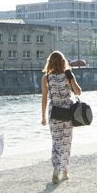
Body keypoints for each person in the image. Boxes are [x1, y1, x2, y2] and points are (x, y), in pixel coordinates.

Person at [41, 51, 82, 184]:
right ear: (63, 62)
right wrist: (71, 79)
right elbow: (78, 92)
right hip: (67, 113)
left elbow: (44, 99)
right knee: (66, 142)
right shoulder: (67, 75)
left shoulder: (46, 78)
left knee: (56, 142)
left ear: (50, 62)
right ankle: (64, 171)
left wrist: (43, 117)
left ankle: (56, 168)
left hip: (54, 113)